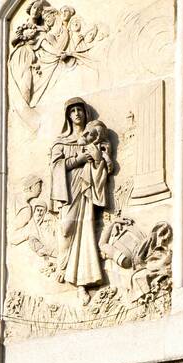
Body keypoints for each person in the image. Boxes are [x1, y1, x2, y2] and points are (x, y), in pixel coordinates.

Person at [50, 99, 113, 302]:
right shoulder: (61, 142)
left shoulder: (93, 139)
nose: (77, 114)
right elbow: (55, 167)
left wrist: (97, 159)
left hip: (86, 189)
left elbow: (102, 162)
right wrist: (78, 160)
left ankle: (82, 283)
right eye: (73, 111)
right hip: (68, 191)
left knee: (85, 234)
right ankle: (63, 265)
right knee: (66, 228)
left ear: (85, 114)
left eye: (79, 110)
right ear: (68, 116)